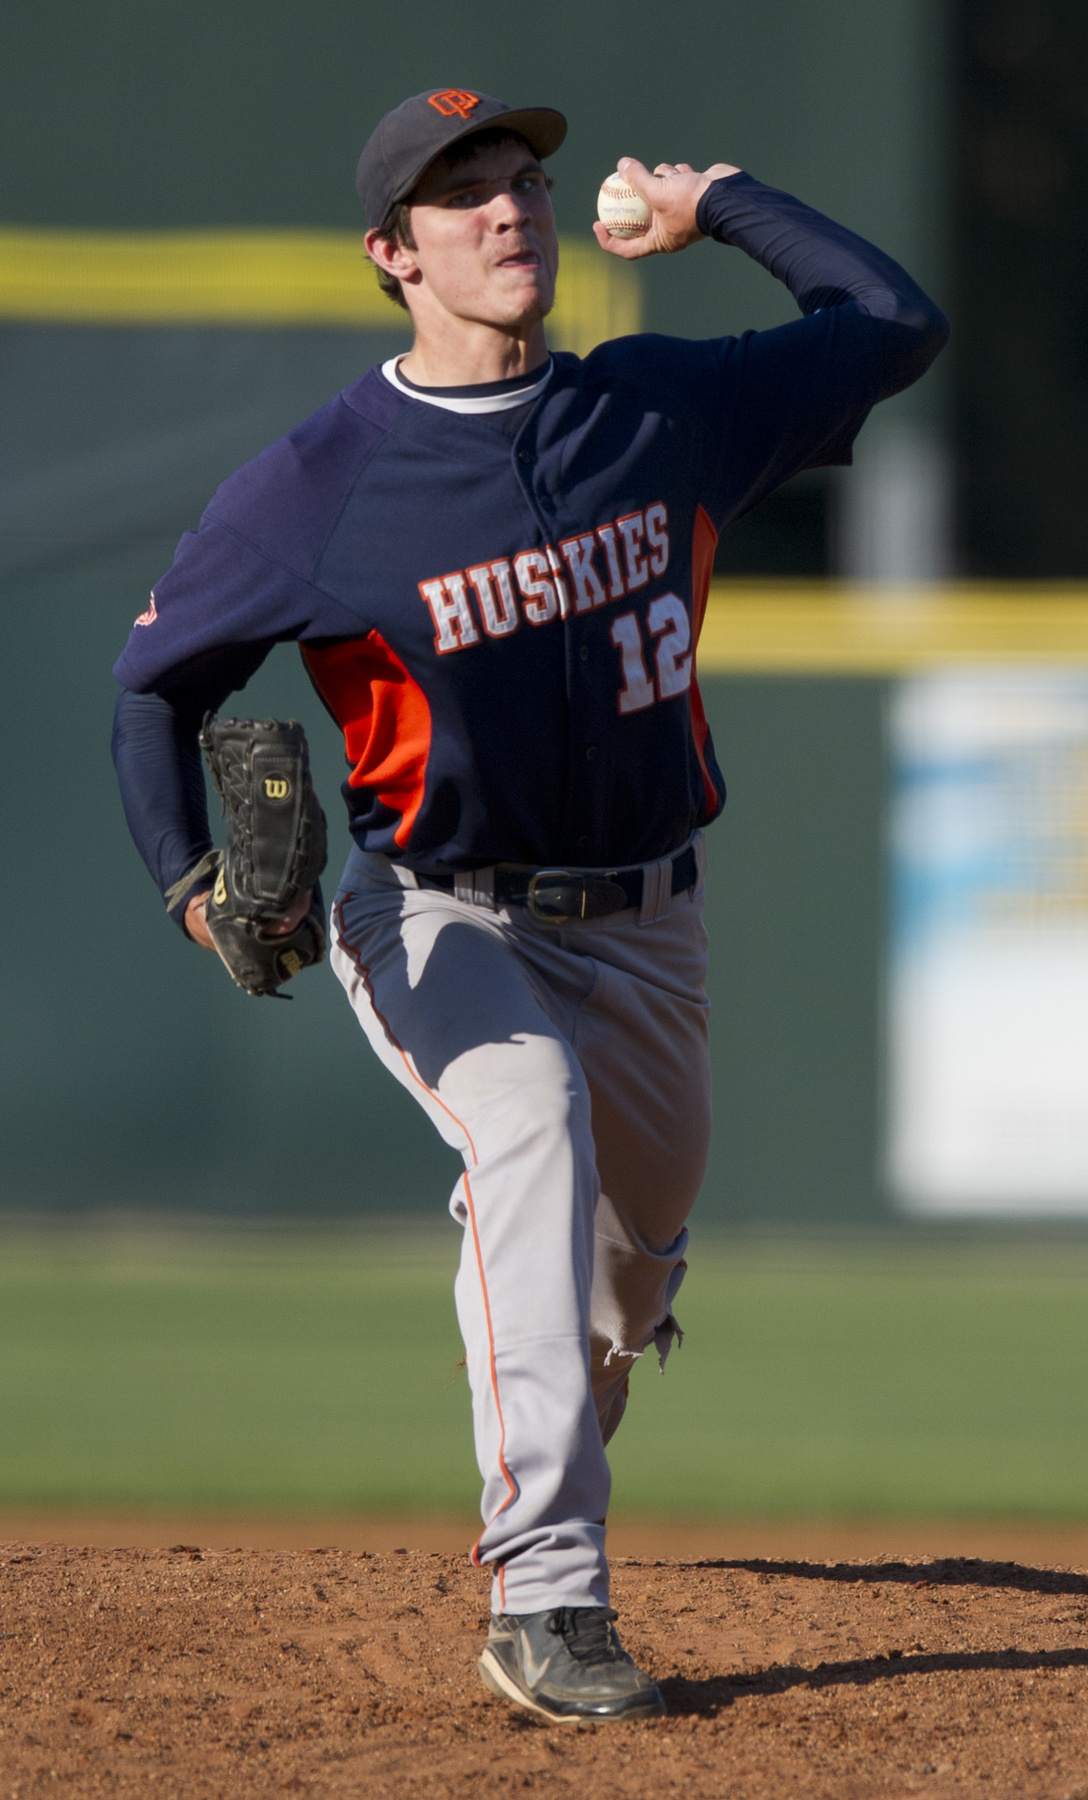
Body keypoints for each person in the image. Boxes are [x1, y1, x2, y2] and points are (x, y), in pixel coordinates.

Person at [110, 87, 948, 1724]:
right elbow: (154, 685)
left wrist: (724, 201)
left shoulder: (659, 411)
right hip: (437, 914)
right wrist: (190, 886)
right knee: (529, 1128)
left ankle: (568, 1353)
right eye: (462, 194)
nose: (510, 211)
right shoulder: (318, 488)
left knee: (631, 1275)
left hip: (650, 928)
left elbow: (894, 323)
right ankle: (549, 1592)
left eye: (523, 181)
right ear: (391, 253)